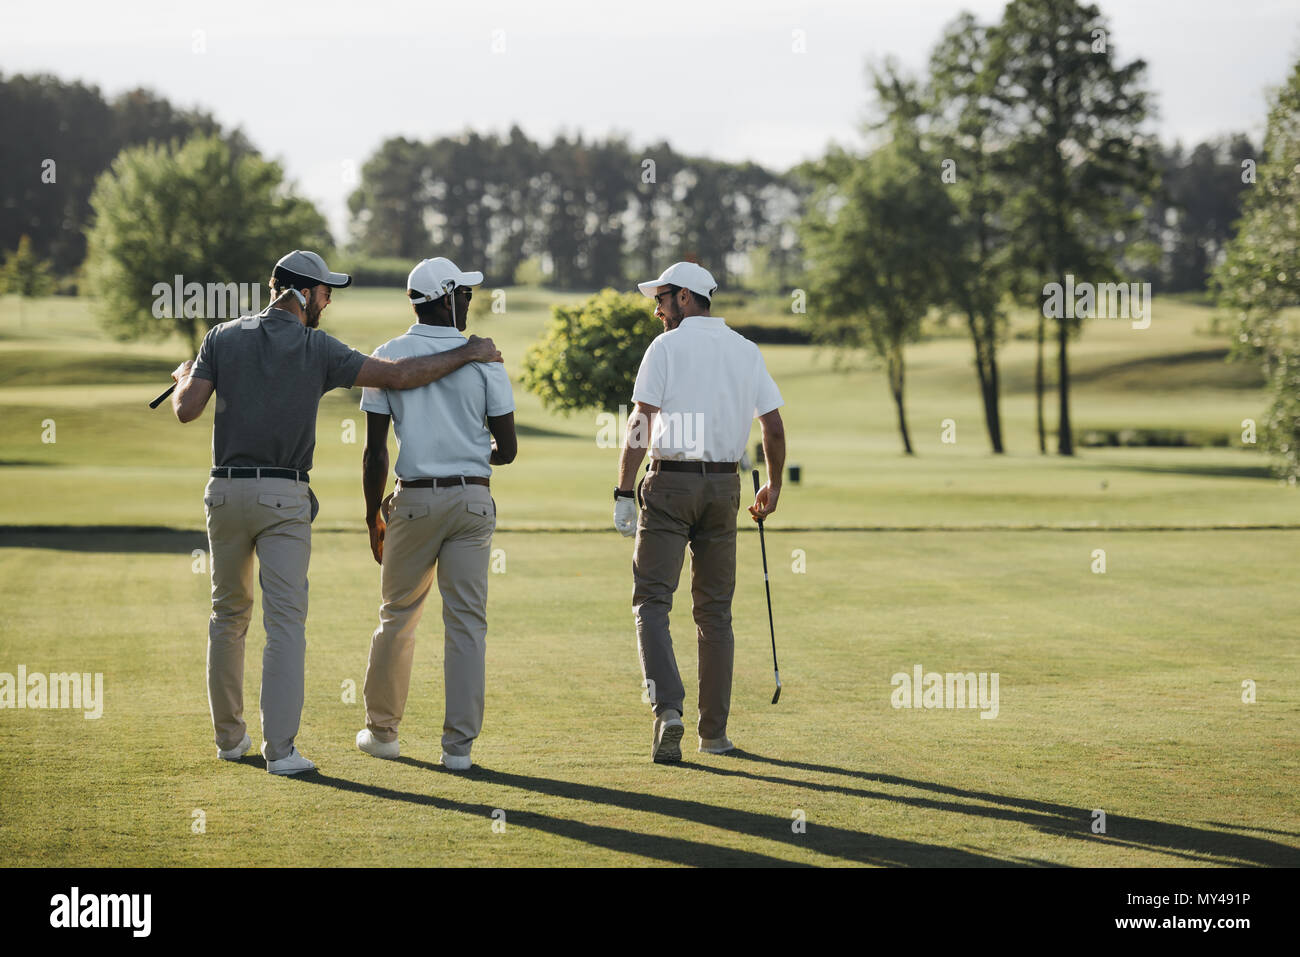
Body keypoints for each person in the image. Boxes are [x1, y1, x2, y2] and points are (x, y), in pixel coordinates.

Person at [169, 249, 503, 775]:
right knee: (284, 625)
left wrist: (186, 374)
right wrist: (467, 353)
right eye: (326, 292)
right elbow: (399, 376)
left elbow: (187, 408)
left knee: (227, 616)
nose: (328, 301)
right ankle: (280, 752)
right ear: (304, 294)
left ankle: (230, 741)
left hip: (224, 493)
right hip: (284, 499)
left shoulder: (221, 337)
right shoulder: (317, 346)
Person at [613, 261, 786, 763]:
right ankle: (715, 735)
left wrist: (624, 492)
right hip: (725, 489)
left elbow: (641, 422)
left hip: (669, 485)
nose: (657, 310)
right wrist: (773, 485)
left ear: (686, 298)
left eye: (662, 298)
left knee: (651, 601)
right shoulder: (745, 350)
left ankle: (668, 710)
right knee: (715, 612)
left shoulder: (665, 347)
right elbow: (772, 427)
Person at [355, 257, 516, 771]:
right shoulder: (486, 358)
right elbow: (507, 449)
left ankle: (382, 734)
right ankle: (459, 750)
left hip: (413, 500)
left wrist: (370, 515)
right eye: (464, 294)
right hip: (471, 500)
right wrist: (470, 455)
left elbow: (375, 451)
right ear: (446, 298)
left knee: (397, 617)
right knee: (467, 624)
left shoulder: (387, 356)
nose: (470, 301)